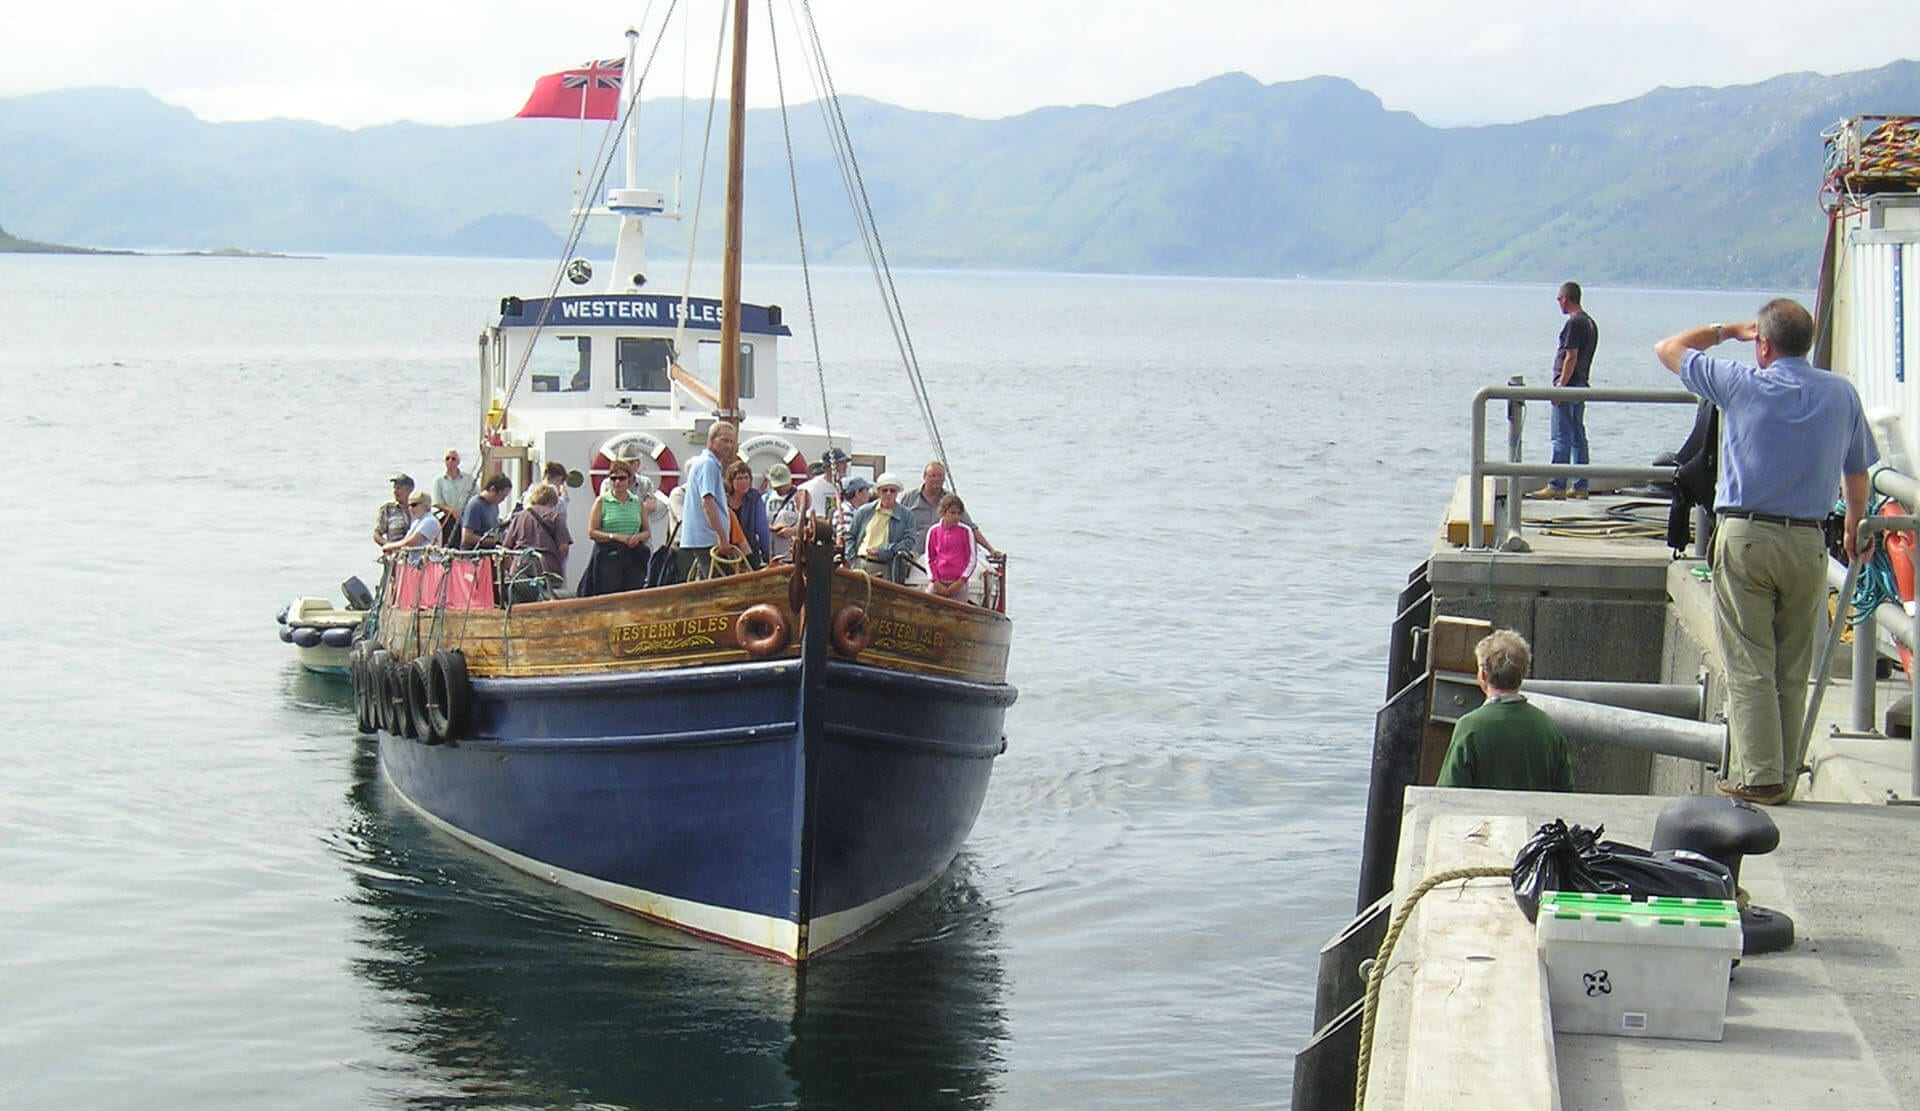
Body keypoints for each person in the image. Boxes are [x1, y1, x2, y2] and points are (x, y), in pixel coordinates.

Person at [1655, 299, 1877, 805]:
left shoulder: (1741, 382)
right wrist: (1854, 525)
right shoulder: (1841, 393)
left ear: (1763, 344)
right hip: (1807, 540)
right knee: (1793, 662)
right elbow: (1857, 471)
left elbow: (1668, 349)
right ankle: (1783, 771)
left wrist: (1727, 329)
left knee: (1749, 660)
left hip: (1747, 535)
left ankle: (1758, 778)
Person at [1435, 630, 1574, 791]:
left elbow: (1449, 792)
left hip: (1485, 816)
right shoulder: (1549, 728)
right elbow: (1565, 793)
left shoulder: (1469, 727)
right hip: (1536, 816)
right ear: (1523, 674)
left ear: (1483, 676)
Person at [1527, 282, 1600, 500]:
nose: (1558, 303)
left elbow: (1571, 356)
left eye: (1559, 299)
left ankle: (1557, 484)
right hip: (1582, 385)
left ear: (1566, 298)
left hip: (1569, 386)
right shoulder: (1590, 323)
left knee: (1561, 436)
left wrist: (1560, 387)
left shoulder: (1574, 324)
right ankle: (1580, 484)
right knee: (1578, 435)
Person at [676, 421, 742, 580]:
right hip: (707, 539)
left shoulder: (707, 464)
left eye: (731, 442)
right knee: (718, 586)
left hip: (703, 539)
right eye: (724, 440)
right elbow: (707, 502)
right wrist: (722, 537)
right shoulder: (708, 465)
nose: (729, 446)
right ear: (712, 441)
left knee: (706, 581)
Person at [900, 459, 1002, 558]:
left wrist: (990, 549)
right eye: (933, 475)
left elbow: (971, 527)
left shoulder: (951, 500)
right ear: (924, 477)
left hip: (944, 554)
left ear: (944, 479)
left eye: (940, 476)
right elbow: (896, 525)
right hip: (914, 553)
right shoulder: (909, 498)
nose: (936, 479)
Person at [578, 460, 652, 596]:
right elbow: (592, 532)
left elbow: (647, 531)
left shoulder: (637, 502)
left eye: (622, 478)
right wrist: (615, 536)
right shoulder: (602, 501)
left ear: (629, 480)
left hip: (632, 557)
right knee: (609, 595)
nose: (617, 482)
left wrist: (637, 537)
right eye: (613, 478)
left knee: (632, 595)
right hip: (608, 558)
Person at [501, 482, 573, 600]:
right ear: (551, 501)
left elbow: (506, 547)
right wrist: (557, 561)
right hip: (546, 568)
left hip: (520, 568)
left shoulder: (519, 516)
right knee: (547, 603)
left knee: (520, 604)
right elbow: (564, 547)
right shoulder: (555, 516)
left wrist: (512, 567)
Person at [845, 472, 916, 583]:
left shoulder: (906, 515)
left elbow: (909, 542)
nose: (888, 494)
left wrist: (883, 551)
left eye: (892, 491)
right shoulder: (864, 511)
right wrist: (853, 561)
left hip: (888, 568)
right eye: (884, 490)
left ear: (897, 493)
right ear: (878, 492)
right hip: (861, 564)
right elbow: (850, 536)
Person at [924, 493, 982, 601]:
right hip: (939, 581)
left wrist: (961, 581)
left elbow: (972, 559)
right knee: (926, 602)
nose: (956, 517)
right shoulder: (933, 531)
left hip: (958, 582)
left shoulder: (966, 531)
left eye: (959, 514)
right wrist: (935, 581)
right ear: (943, 512)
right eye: (952, 513)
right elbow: (929, 559)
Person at [724, 459, 771, 570]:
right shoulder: (723, 499)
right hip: (726, 549)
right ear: (731, 481)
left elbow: (762, 528)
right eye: (739, 478)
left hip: (749, 549)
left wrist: (767, 555)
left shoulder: (754, 498)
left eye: (746, 478)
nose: (744, 481)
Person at [381, 490, 442, 560]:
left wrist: (390, 546)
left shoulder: (430, 521)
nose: (410, 508)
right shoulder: (417, 522)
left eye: (414, 505)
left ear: (425, 505)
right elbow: (406, 541)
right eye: (409, 506)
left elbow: (411, 542)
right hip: (414, 564)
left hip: (427, 564)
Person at [459, 473, 514, 548]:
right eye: (502, 496)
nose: (503, 500)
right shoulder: (475, 505)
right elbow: (467, 537)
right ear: (492, 489)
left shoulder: (494, 505)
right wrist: (495, 541)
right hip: (473, 554)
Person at [799, 447, 851, 522]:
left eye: (846, 463)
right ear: (830, 467)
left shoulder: (843, 486)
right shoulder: (814, 488)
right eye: (842, 463)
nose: (846, 466)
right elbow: (815, 519)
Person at [432, 449, 479, 531]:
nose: (450, 461)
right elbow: (437, 503)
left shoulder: (469, 478)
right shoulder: (439, 481)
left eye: (453, 459)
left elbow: (477, 496)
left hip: (468, 517)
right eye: (447, 458)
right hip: (450, 518)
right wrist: (452, 511)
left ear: (458, 462)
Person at [765, 463, 802, 563]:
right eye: (778, 486)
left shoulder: (800, 497)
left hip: (790, 556)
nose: (781, 489)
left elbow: (810, 526)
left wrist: (793, 531)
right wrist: (772, 528)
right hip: (771, 556)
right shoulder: (766, 498)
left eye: (783, 485)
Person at [373, 473, 414, 546]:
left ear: (409, 490)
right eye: (394, 488)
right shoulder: (387, 509)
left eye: (398, 488)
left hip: (417, 551)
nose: (395, 491)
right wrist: (389, 546)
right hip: (395, 552)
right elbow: (377, 534)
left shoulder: (419, 507)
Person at [833, 476, 873, 551]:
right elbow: (847, 540)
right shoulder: (845, 512)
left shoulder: (855, 511)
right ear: (857, 493)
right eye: (867, 490)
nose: (869, 494)